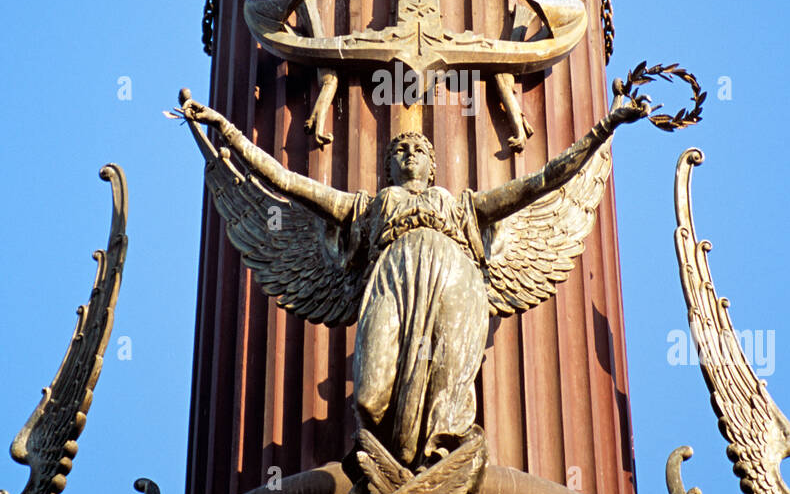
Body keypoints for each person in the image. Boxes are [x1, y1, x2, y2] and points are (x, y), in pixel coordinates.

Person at [180, 86, 646, 469]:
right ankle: (389, 455)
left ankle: (440, 458)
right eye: (399, 150)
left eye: (417, 150)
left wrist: (605, 127)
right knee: (370, 396)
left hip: (454, 282)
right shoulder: (366, 208)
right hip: (392, 280)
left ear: (432, 164)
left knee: (447, 387)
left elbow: (541, 182)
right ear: (386, 167)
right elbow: (287, 183)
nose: (408, 154)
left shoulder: (461, 205)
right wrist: (230, 134)